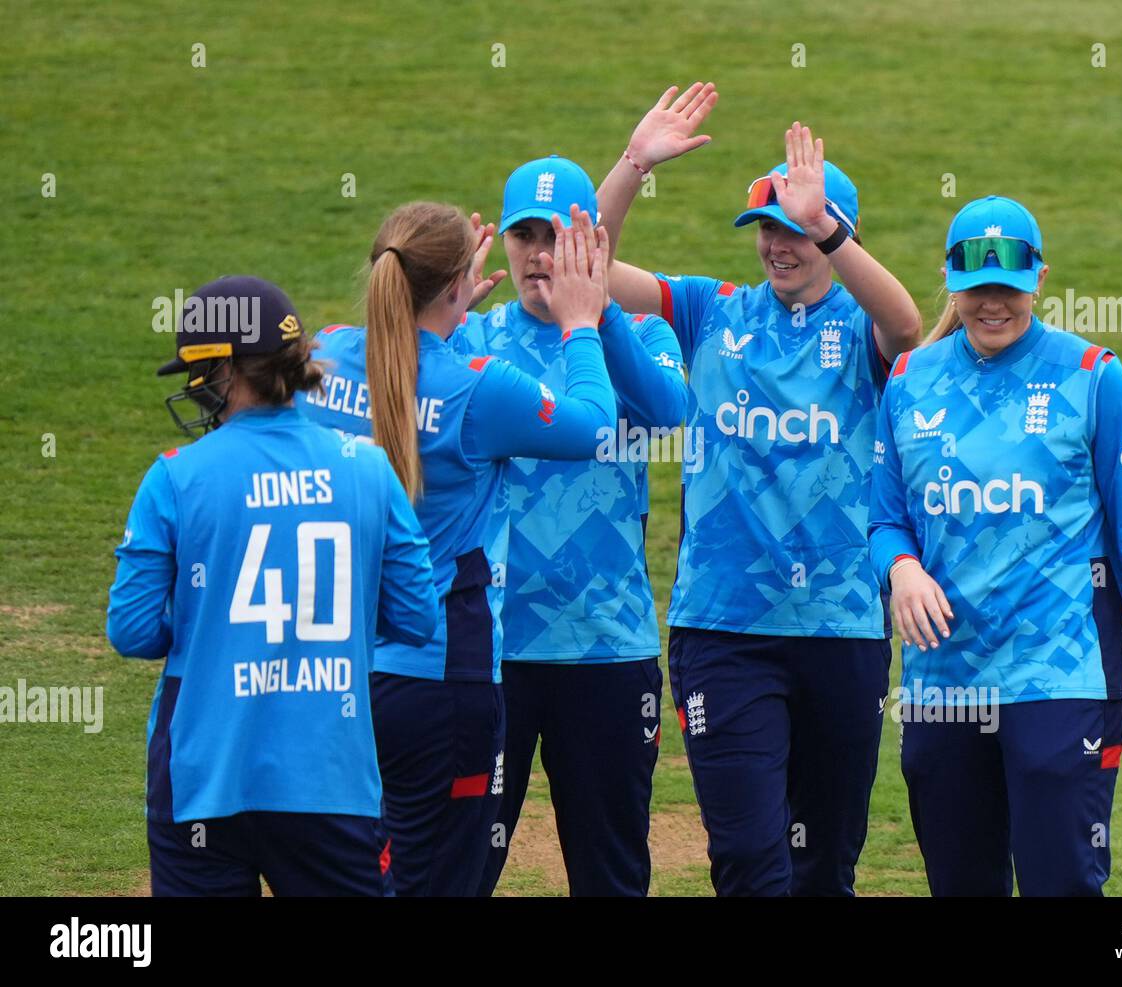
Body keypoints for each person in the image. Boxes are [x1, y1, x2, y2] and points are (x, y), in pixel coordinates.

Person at [596, 83, 924, 896]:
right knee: (748, 858)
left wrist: (829, 229)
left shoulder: (859, 330)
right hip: (723, 627)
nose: (778, 246)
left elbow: (910, 324)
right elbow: (590, 270)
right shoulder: (711, 311)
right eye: (768, 230)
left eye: (796, 231)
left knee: (825, 865)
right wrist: (634, 165)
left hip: (843, 628)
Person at [868, 195, 1122, 896]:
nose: (993, 304)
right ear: (951, 282)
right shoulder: (907, 380)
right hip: (942, 685)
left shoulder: (1093, 377)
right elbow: (883, 515)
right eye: (978, 287)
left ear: (1039, 279)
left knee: (1062, 883)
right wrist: (899, 567)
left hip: (1059, 680)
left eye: (1009, 288)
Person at [298, 201, 617, 896]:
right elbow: (593, 426)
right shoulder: (479, 387)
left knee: (353, 866)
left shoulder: (321, 358)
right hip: (441, 678)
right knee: (439, 878)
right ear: (455, 284)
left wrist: (447, 316)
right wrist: (582, 326)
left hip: (332, 671)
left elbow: (396, 368)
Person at [107, 275, 438, 896]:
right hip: (330, 780)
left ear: (230, 371)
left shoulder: (177, 478)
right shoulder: (368, 467)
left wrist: (212, 622)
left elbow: (130, 630)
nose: (194, 389)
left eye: (199, 373)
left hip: (203, 776)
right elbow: (418, 618)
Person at [460, 158, 688, 897]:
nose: (539, 255)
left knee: (611, 869)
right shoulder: (471, 337)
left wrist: (595, 316)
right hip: (489, 650)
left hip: (607, 649)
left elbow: (668, 415)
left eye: (558, 237)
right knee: (461, 863)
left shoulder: (644, 334)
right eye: (524, 235)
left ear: (591, 243)